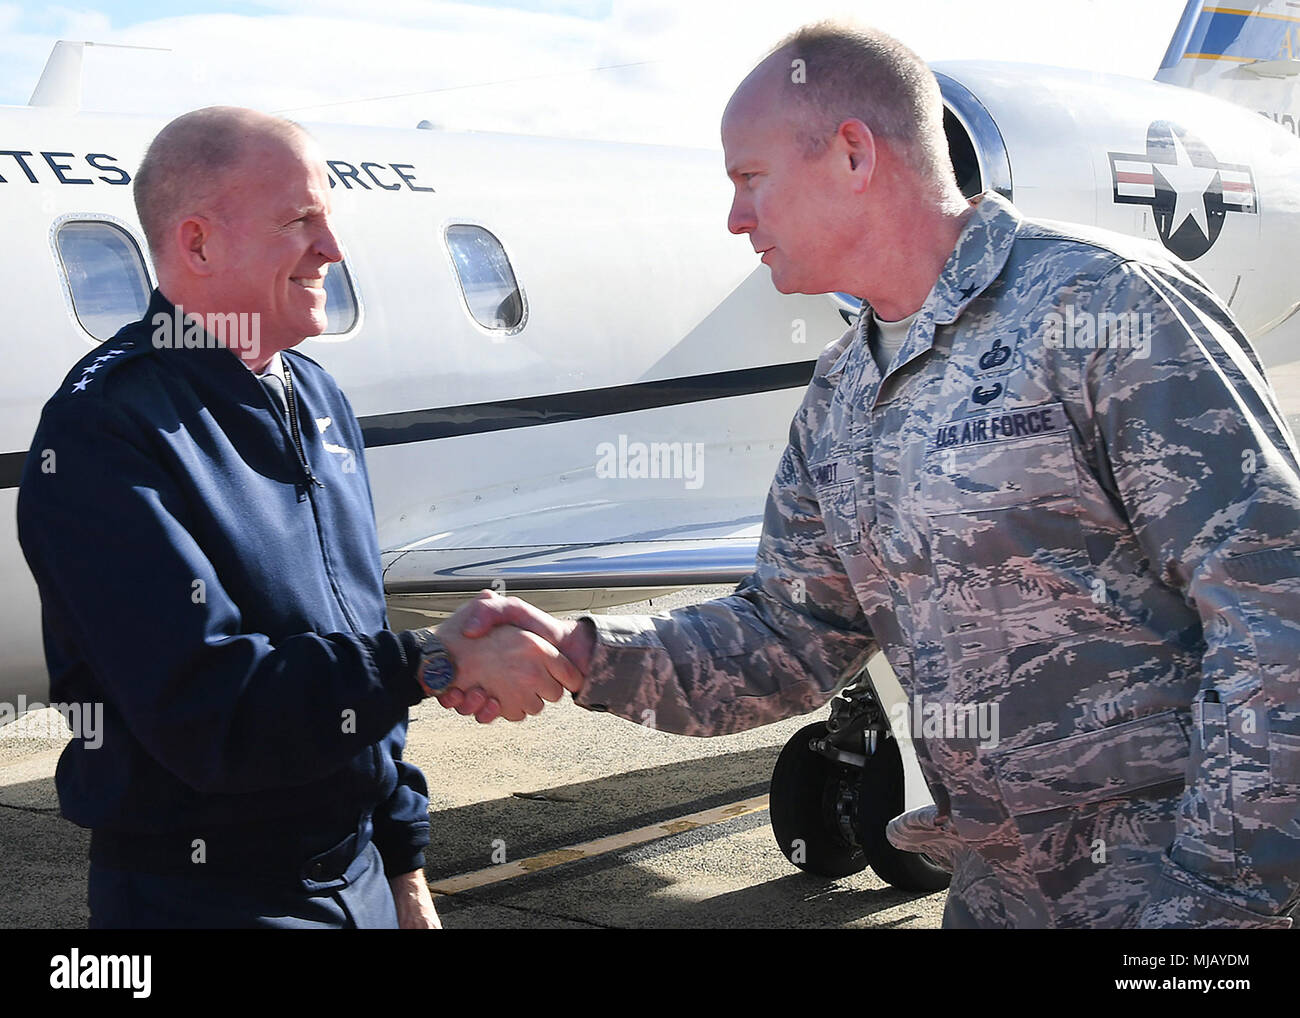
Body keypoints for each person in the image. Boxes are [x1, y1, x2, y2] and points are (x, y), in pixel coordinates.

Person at [444, 23, 1300, 928]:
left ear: (853, 153)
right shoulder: (844, 395)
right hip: (996, 899)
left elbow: (1274, 614)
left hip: (1177, 906)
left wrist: (1220, 906)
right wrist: (582, 655)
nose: (737, 219)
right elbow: (786, 638)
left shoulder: (1105, 307)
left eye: (750, 180)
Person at [16, 107, 579, 929]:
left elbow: (348, 627)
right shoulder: (108, 429)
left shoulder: (313, 393)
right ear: (199, 244)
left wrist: (401, 863)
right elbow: (210, 712)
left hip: (356, 878)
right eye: (300, 221)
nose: (332, 250)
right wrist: (431, 661)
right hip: (209, 899)